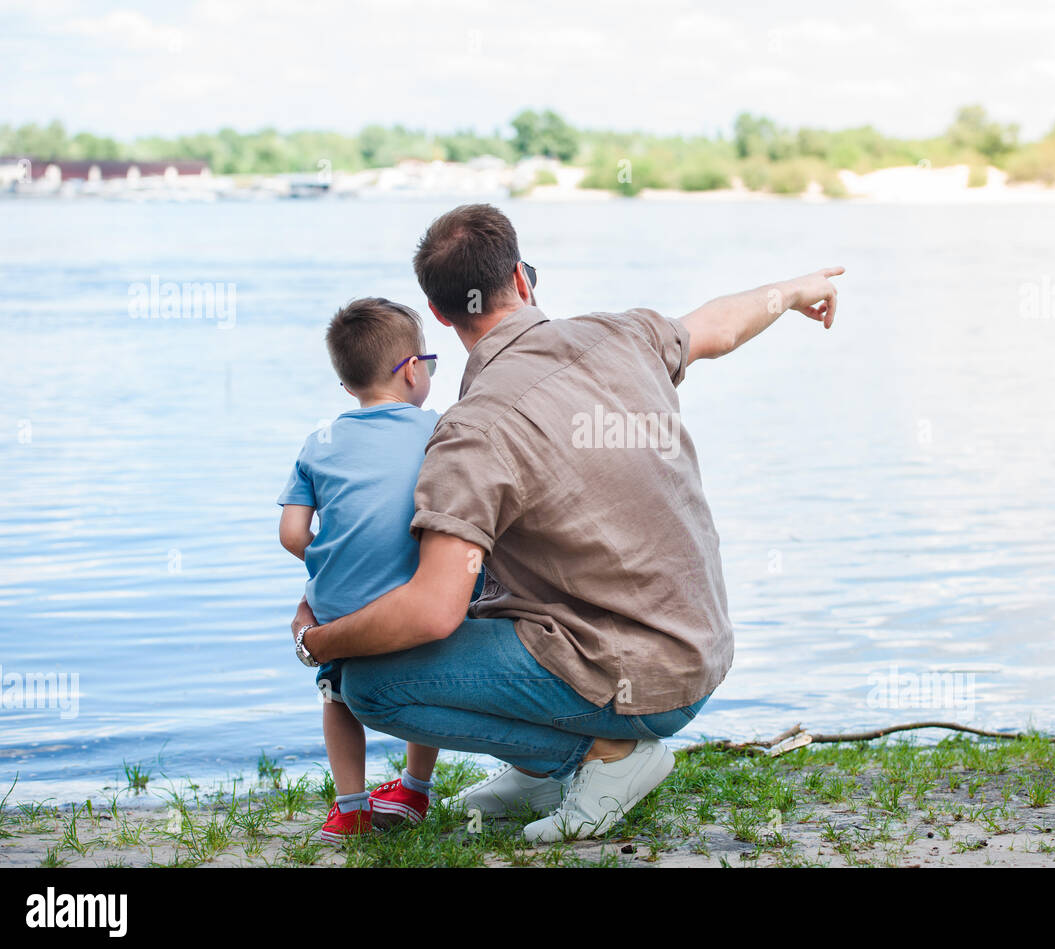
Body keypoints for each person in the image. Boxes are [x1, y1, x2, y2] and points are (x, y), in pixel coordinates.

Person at [291, 203, 843, 842]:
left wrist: (320, 641)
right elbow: (716, 324)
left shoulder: (473, 429)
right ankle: (536, 770)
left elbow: (431, 612)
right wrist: (796, 288)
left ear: (440, 316)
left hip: (635, 679)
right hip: (701, 649)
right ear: (523, 279)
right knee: (490, 584)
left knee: (369, 684)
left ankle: (598, 760)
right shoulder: (624, 334)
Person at [278, 297, 448, 844]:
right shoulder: (438, 430)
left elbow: (291, 534)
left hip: (339, 606)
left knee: (335, 697)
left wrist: (332, 559)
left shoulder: (319, 443)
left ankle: (350, 807)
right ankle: (415, 790)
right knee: (427, 694)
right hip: (416, 599)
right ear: (411, 368)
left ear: (348, 384)